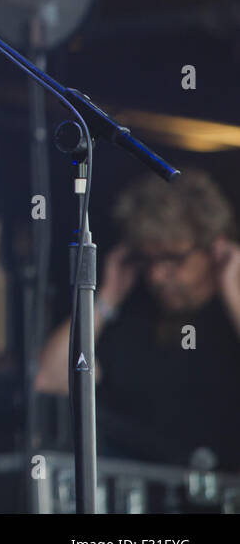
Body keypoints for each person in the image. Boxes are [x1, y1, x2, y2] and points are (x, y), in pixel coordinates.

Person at [34, 170, 240, 469]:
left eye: (173, 259)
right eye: (149, 261)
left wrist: (233, 288)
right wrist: (106, 297)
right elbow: (49, 379)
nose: (157, 276)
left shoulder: (228, 315)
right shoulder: (133, 314)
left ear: (215, 248)